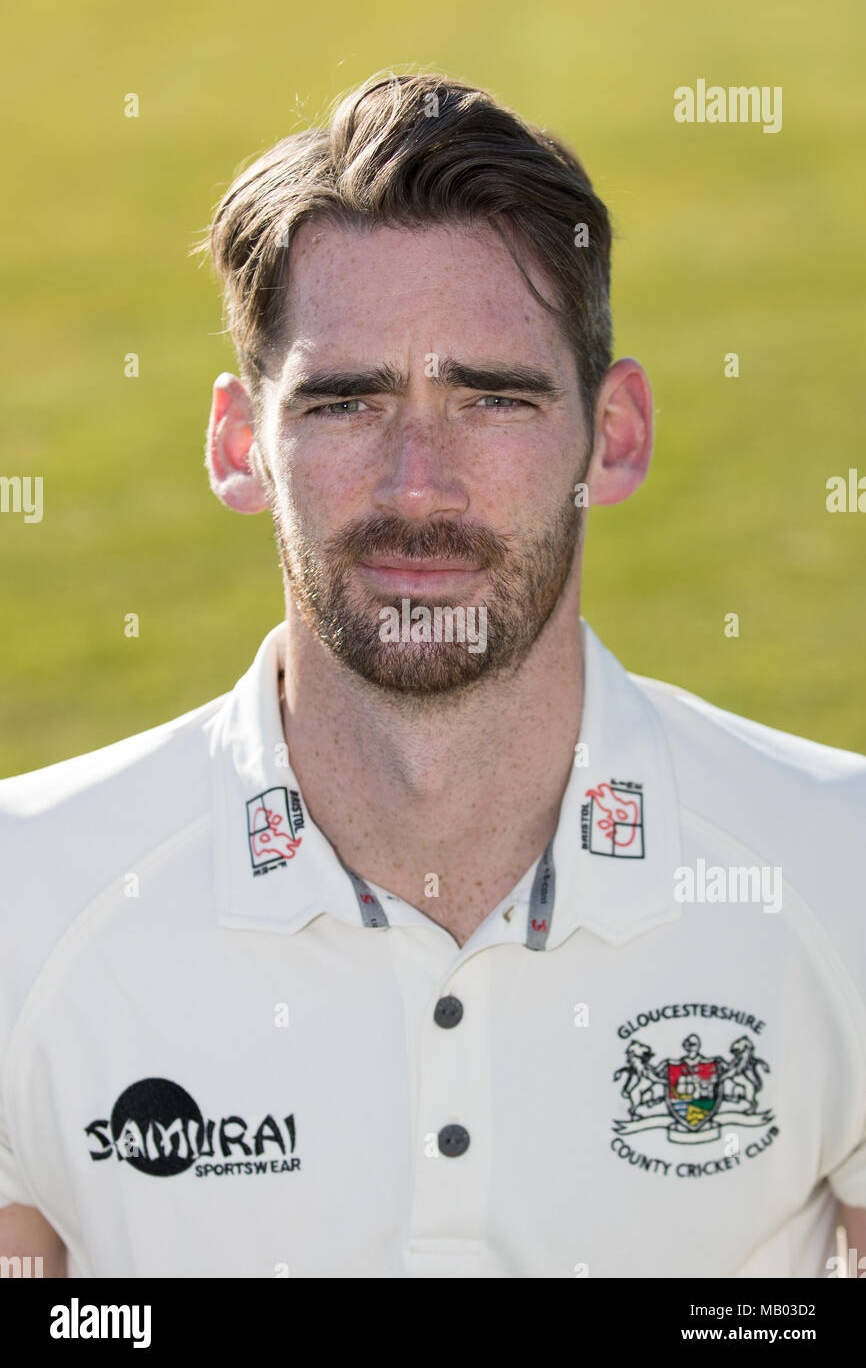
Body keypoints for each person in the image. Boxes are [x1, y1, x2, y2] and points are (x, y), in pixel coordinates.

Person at [1, 70, 864, 1279]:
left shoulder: (839, 866)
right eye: (346, 403)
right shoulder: (24, 893)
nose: (417, 485)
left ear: (611, 436)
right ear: (240, 445)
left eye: (492, 401)